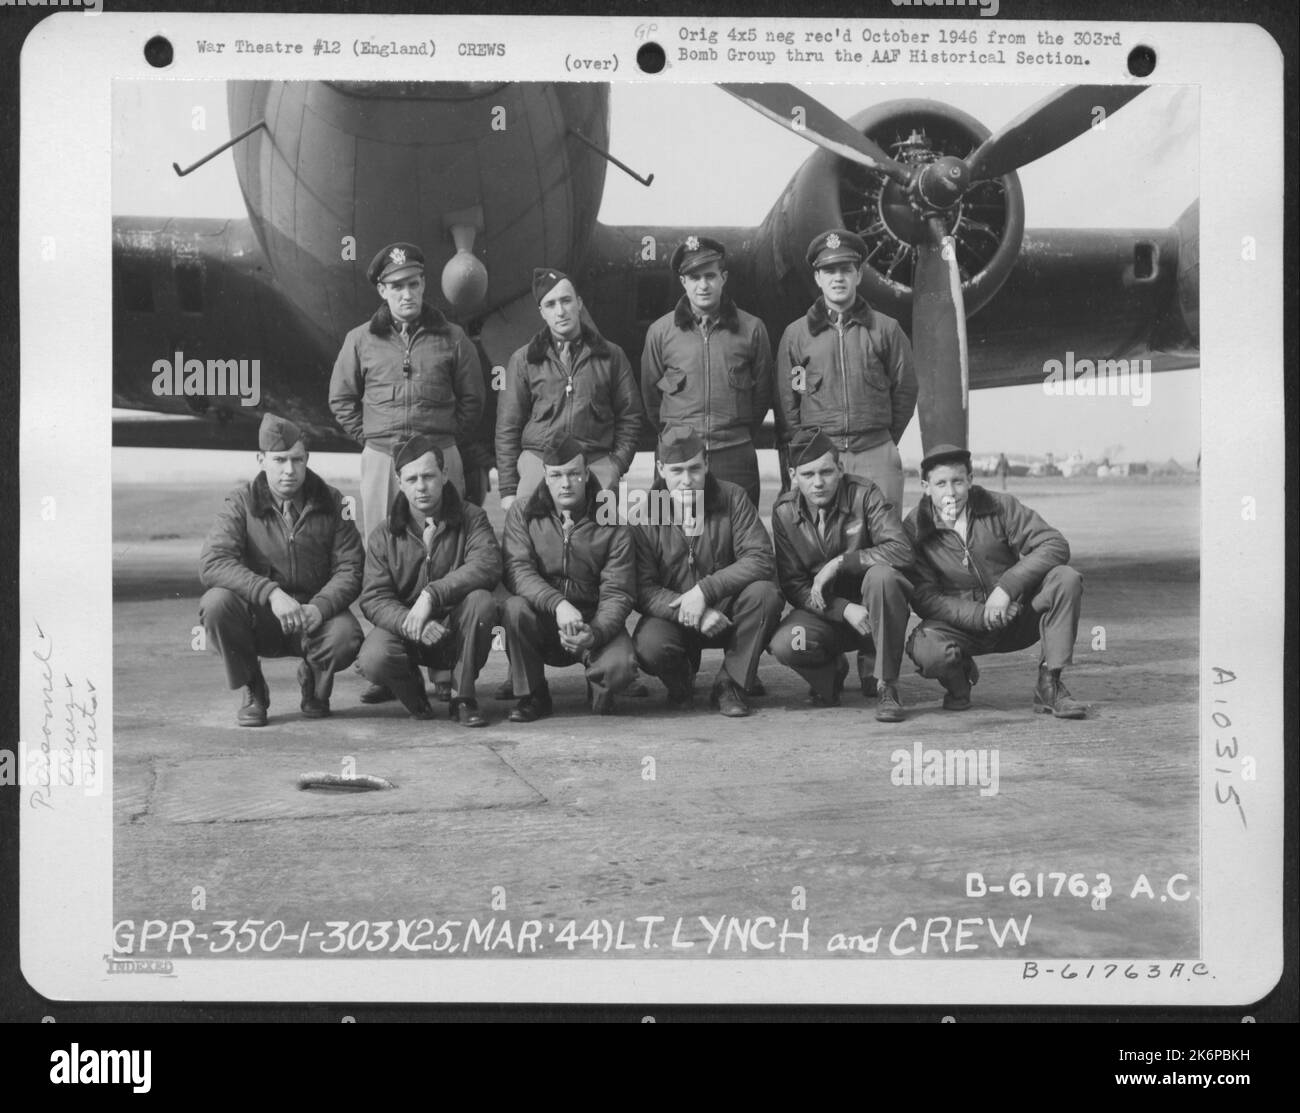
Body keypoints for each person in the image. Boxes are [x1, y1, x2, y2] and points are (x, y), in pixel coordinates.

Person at [198, 413, 364, 726]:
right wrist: (270, 593)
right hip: (262, 616)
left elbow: (351, 568)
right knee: (216, 604)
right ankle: (253, 686)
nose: (289, 470)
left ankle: (314, 680)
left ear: (307, 459)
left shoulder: (333, 501)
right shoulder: (241, 502)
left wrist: (320, 607)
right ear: (261, 459)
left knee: (346, 636)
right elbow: (213, 561)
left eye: (297, 460)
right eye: (280, 460)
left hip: (312, 618)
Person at [903, 444, 1087, 718]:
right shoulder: (916, 527)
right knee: (926, 648)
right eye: (941, 483)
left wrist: (1006, 589)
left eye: (958, 481)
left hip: (1016, 616)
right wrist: (981, 615)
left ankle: (1050, 684)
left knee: (1066, 578)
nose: (951, 492)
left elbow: (1054, 544)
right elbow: (925, 597)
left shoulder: (1001, 507)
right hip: (962, 626)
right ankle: (958, 681)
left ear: (971, 480)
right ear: (926, 486)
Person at [328, 241, 485, 539]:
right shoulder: (360, 340)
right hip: (383, 459)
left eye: (413, 284)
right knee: (381, 543)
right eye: (397, 286)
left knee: (447, 542)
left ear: (424, 284)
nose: (407, 294)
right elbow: (341, 398)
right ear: (382, 290)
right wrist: (372, 439)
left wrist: (445, 440)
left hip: (440, 457)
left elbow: (473, 399)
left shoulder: (454, 337)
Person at [630, 425, 783, 717]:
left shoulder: (733, 497)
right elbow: (642, 588)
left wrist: (705, 590)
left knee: (766, 594)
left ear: (707, 463)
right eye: (676, 471)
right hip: (676, 614)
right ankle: (681, 682)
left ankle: (731, 684)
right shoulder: (645, 513)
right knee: (650, 646)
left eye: (694, 469)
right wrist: (695, 611)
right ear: (661, 469)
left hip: (727, 611)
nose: (687, 481)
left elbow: (761, 558)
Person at [768, 429, 914, 723]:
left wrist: (841, 562)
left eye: (826, 472)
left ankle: (888, 685)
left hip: (874, 614)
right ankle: (830, 673)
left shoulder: (865, 493)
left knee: (883, 577)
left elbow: (901, 551)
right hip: (827, 614)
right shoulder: (784, 512)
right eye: (808, 475)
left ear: (840, 469)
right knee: (787, 643)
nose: (818, 482)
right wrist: (843, 609)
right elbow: (794, 586)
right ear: (793, 475)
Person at [356, 435, 501, 726]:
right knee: (373, 656)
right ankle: (414, 696)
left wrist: (432, 594)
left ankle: (464, 697)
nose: (421, 487)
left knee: (482, 602)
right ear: (399, 481)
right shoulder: (384, 534)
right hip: (409, 629)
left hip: (456, 630)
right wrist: (411, 623)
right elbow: (373, 598)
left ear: (445, 474)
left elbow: (487, 565)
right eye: (411, 479)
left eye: (428, 476)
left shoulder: (473, 518)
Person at [775, 229, 917, 511]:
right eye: (829, 270)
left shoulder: (887, 330)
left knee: (885, 543)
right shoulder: (797, 337)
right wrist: (809, 451)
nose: (837, 277)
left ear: (859, 274)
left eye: (845, 269)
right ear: (817, 277)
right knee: (818, 544)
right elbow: (791, 398)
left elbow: (905, 390)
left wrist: (882, 440)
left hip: (875, 452)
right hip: (821, 458)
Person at [499, 436, 638, 720]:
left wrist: (595, 632)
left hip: (592, 620)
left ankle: (597, 682)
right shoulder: (522, 513)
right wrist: (558, 604)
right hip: (544, 619)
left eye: (574, 474)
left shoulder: (614, 523)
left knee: (620, 670)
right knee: (514, 609)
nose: (566, 483)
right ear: (545, 478)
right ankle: (533, 695)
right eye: (557, 475)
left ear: (587, 474)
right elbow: (518, 571)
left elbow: (618, 592)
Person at [640, 235, 774, 507]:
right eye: (694, 276)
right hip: (679, 458)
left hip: (734, 456)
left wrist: (734, 433)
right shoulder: (660, 333)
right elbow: (652, 398)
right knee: (672, 541)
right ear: (683, 282)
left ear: (723, 278)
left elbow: (762, 395)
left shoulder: (753, 329)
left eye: (710, 276)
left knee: (737, 539)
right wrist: (677, 439)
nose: (703, 285)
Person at [495, 268, 644, 511]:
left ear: (579, 303)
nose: (561, 311)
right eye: (551, 304)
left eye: (566, 300)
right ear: (542, 312)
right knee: (525, 526)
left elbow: (631, 417)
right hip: (540, 459)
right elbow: (507, 428)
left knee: (604, 535)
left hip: (594, 459)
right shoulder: (524, 360)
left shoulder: (611, 356)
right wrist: (509, 490)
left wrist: (616, 465)